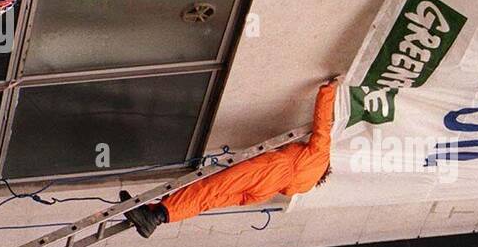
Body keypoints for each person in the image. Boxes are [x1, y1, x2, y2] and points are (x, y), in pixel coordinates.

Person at [122, 79, 339, 238]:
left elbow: (323, 123)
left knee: (209, 187)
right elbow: (287, 189)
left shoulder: (320, 155)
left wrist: (329, 89)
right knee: (208, 199)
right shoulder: (307, 184)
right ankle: (154, 215)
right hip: (262, 192)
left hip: (270, 170)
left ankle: (157, 215)